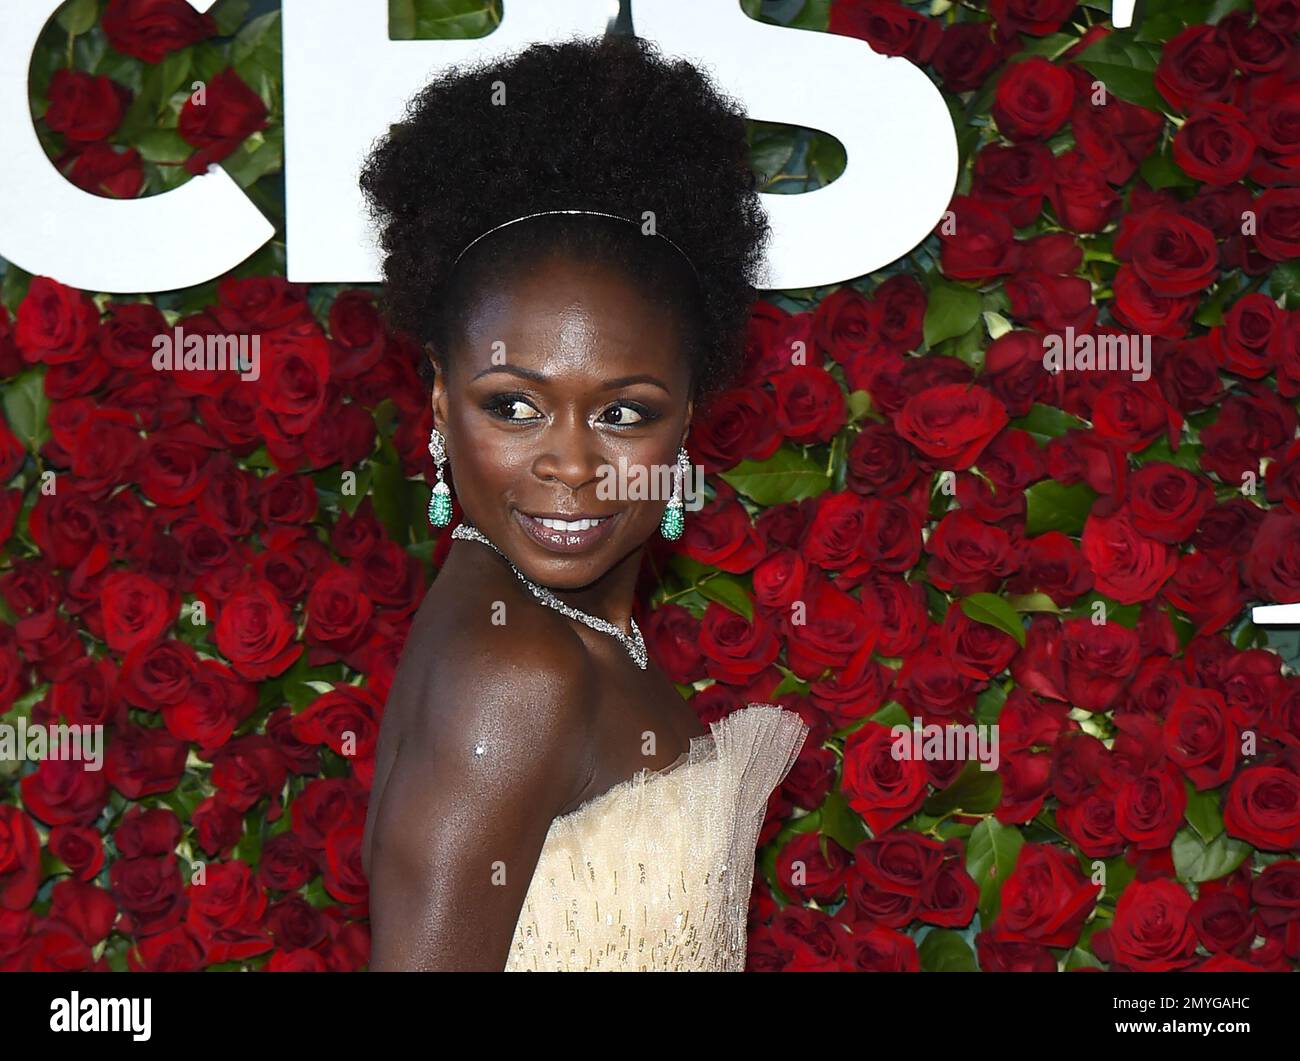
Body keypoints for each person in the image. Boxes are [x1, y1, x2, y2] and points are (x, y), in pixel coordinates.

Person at [357, 33, 809, 972]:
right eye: (513, 404)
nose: (570, 464)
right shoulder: (517, 668)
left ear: (689, 416)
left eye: (623, 411)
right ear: (440, 400)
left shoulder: (548, 628)